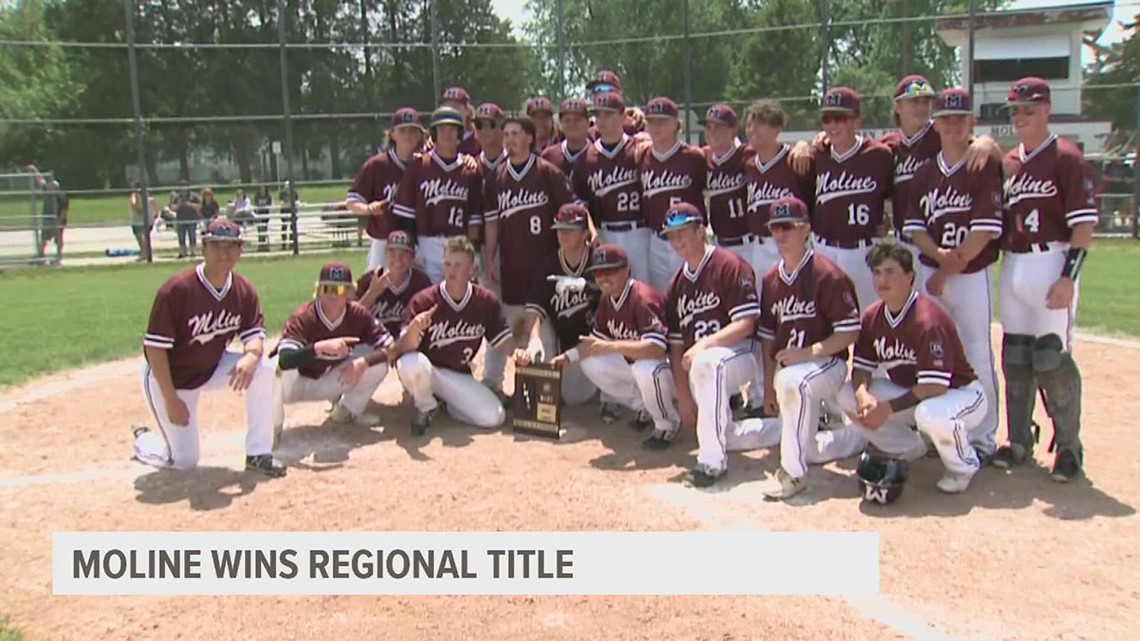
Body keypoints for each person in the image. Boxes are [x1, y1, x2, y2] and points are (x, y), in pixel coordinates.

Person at [993, 77, 1098, 482]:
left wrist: (1069, 277)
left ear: (1047, 110)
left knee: (1052, 360)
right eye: (1016, 110)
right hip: (1015, 263)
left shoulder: (1067, 157)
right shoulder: (1010, 162)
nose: (1021, 116)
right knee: (1016, 357)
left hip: (1051, 259)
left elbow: (1084, 226)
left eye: (1030, 109)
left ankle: (1069, 447)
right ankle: (1020, 439)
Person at [131, 219, 286, 477]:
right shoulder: (177, 290)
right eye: (216, 246)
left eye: (230, 247)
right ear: (204, 248)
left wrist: (251, 355)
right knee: (183, 461)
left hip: (210, 367)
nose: (224, 254)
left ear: (240, 251)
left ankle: (258, 454)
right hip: (171, 378)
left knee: (263, 369)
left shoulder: (243, 290)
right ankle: (144, 441)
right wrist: (171, 399)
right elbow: (155, 349)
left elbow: (254, 334)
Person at [902, 87, 1004, 459]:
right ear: (937, 124)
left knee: (977, 352)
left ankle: (984, 436)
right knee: (934, 356)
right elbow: (916, 227)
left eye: (960, 119)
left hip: (970, 275)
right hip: (933, 272)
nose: (953, 126)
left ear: (971, 123)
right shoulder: (926, 171)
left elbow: (983, 230)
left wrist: (947, 267)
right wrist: (937, 258)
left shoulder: (982, 165)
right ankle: (938, 429)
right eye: (946, 119)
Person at [838, 243, 988, 494]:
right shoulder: (873, 316)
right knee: (846, 395)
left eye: (890, 272)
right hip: (915, 393)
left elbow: (935, 386)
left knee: (930, 414)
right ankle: (906, 447)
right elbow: (861, 368)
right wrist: (864, 397)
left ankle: (965, 465)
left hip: (960, 395)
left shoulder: (927, 320)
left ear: (909, 277)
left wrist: (886, 408)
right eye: (877, 272)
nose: (882, 279)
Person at [749, 196, 867, 500]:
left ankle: (794, 475)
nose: (780, 235)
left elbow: (849, 332)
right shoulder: (770, 279)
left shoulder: (827, 274)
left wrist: (810, 352)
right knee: (809, 447)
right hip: (792, 369)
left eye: (788, 227)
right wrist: (766, 386)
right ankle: (858, 438)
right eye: (775, 228)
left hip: (829, 364)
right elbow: (767, 337)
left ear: (806, 230)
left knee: (792, 381)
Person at [660, 203, 764, 486]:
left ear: (701, 231)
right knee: (724, 429)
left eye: (683, 232)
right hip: (699, 365)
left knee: (708, 363)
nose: (677, 240)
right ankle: (778, 429)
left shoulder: (729, 264)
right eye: (671, 235)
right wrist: (682, 397)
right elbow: (677, 344)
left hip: (741, 355)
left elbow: (746, 324)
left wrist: (705, 345)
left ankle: (711, 462)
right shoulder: (677, 283)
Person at [481, 114, 580, 404]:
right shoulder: (495, 178)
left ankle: (541, 393)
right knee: (506, 324)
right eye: (506, 135)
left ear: (529, 138)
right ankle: (492, 381)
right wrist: (490, 257)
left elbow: (570, 214)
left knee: (543, 329)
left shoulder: (547, 172)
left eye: (515, 134)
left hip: (545, 265)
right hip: (510, 264)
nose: (509, 140)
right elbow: (492, 224)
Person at [395, 236, 517, 434]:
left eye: (458, 265)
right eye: (448, 264)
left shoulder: (485, 301)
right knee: (412, 364)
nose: (451, 270)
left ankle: (448, 404)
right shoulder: (424, 300)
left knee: (494, 417)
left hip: (457, 375)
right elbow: (404, 348)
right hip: (427, 370)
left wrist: (519, 352)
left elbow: (503, 341)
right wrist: (415, 329)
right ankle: (425, 406)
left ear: (471, 269)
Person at [271, 261, 395, 440]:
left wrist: (363, 362)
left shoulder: (358, 315)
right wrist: (318, 348)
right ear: (319, 290)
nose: (333, 294)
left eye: (339, 289)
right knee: (273, 369)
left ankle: (346, 411)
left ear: (350, 293)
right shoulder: (304, 316)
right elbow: (285, 359)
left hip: (328, 383)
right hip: (294, 386)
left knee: (377, 365)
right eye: (327, 288)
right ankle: (273, 427)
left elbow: (391, 348)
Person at [568, 243, 678, 436]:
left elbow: (656, 349)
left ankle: (667, 424)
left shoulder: (643, 298)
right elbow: (594, 343)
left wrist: (612, 346)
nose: (603, 278)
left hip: (672, 370)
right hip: (643, 366)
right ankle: (645, 406)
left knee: (645, 367)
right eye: (598, 273)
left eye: (609, 271)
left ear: (627, 270)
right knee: (589, 361)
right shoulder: (607, 300)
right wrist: (567, 358)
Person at [808, 87, 895, 313]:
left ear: (857, 122)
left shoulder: (880, 155)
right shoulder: (816, 156)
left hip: (864, 251)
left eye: (840, 118)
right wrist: (801, 145)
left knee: (869, 318)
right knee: (826, 320)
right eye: (827, 119)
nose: (832, 126)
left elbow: (895, 194)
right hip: (824, 249)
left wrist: (887, 220)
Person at [516, 204, 603, 407]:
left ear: (584, 234)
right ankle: (542, 397)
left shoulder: (599, 262)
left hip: (593, 343)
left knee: (577, 397)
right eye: (559, 230)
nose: (563, 235)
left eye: (570, 230)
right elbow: (533, 308)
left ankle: (610, 396)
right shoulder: (548, 265)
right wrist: (534, 339)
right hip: (562, 342)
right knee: (536, 330)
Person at [391, 107, 484, 284]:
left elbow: (474, 218)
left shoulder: (470, 170)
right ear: (434, 132)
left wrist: (475, 251)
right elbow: (405, 215)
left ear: (459, 133)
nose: (447, 134)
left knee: (459, 298)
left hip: (459, 244)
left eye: (452, 129)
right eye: (441, 128)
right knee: (429, 299)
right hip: (427, 242)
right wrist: (414, 249)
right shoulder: (418, 166)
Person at [572, 91, 652, 284]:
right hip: (605, 232)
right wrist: (593, 232)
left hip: (640, 232)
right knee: (610, 292)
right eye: (598, 114)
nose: (602, 120)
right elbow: (581, 204)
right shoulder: (585, 159)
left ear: (623, 116)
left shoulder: (640, 149)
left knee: (645, 290)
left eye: (608, 114)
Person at [639, 96, 708, 293]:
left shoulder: (694, 157)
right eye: (652, 121)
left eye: (662, 120)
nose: (656, 126)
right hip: (657, 240)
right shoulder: (642, 156)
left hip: (689, 237)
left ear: (677, 124)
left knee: (695, 294)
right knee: (662, 297)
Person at [347, 108, 426, 271]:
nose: (408, 135)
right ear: (392, 134)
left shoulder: (427, 164)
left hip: (419, 240)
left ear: (420, 135)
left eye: (413, 130)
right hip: (383, 240)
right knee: (376, 289)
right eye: (403, 130)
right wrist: (368, 208)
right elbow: (352, 201)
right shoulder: (377, 165)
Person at [355, 230, 434, 339]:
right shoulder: (369, 280)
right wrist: (371, 294)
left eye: (404, 253)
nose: (398, 258)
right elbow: (351, 321)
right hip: (373, 343)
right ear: (385, 253)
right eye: (392, 252)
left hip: (407, 344)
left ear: (412, 256)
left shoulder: (420, 282)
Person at [26, 165, 69, 262]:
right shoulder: (47, 191)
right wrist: (35, 171)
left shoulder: (61, 196)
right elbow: (40, 181)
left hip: (57, 220)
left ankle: (58, 257)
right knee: (44, 238)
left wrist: (59, 222)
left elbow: (64, 210)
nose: (48, 188)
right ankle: (41, 256)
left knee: (58, 240)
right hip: (48, 219)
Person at [540, 98, 592, 177]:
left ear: (588, 123)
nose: (572, 124)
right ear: (560, 124)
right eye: (567, 120)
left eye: (577, 120)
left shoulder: (598, 155)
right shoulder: (548, 156)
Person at [440, 86, 481, 157]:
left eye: (455, 107)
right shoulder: (436, 141)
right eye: (446, 107)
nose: (450, 112)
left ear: (467, 111)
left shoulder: (479, 142)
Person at [128, 180, 156, 261]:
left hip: (138, 220)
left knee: (140, 237)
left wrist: (138, 209)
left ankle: (144, 254)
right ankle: (147, 253)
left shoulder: (135, 195)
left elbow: (133, 204)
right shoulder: (147, 195)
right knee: (145, 237)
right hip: (148, 219)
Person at [253, 185, 273, 251]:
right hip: (259, 213)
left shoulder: (268, 196)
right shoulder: (257, 196)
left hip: (265, 214)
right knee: (259, 230)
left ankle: (265, 246)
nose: (262, 189)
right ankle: (260, 245)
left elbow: (269, 205)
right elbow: (255, 204)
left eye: (263, 188)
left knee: (264, 229)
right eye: (261, 188)